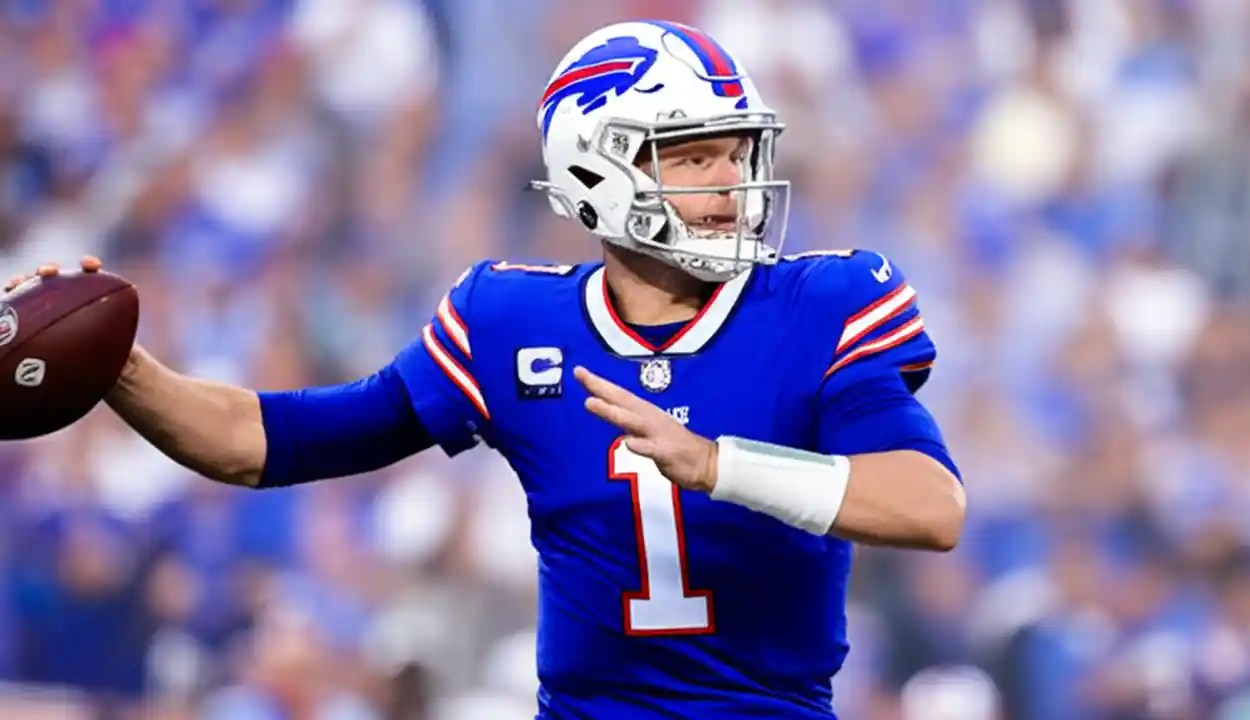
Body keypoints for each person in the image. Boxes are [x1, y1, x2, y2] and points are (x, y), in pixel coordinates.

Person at [6, 20, 966, 720]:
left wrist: (719, 466)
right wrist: (121, 366)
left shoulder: (822, 303)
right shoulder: (510, 320)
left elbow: (929, 506)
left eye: (736, 153)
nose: (730, 184)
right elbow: (266, 442)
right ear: (602, 172)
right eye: (695, 157)